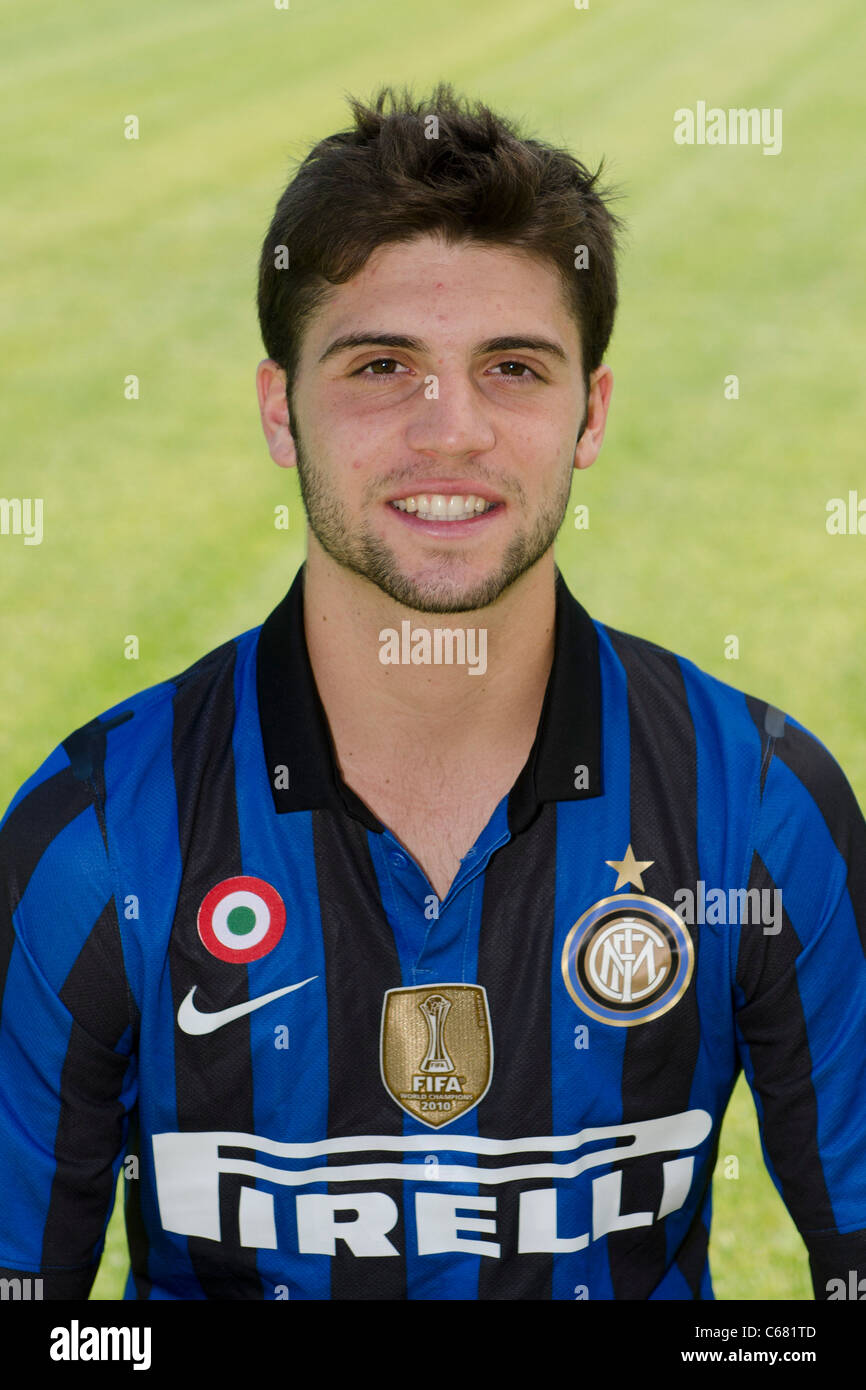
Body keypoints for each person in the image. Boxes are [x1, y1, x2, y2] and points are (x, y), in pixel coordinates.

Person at [1, 83, 864, 1302]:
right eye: (380, 364)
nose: (447, 427)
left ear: (588, 414)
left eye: (512, 367)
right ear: (278, 412)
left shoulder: (761, 813)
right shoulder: (94, 838)